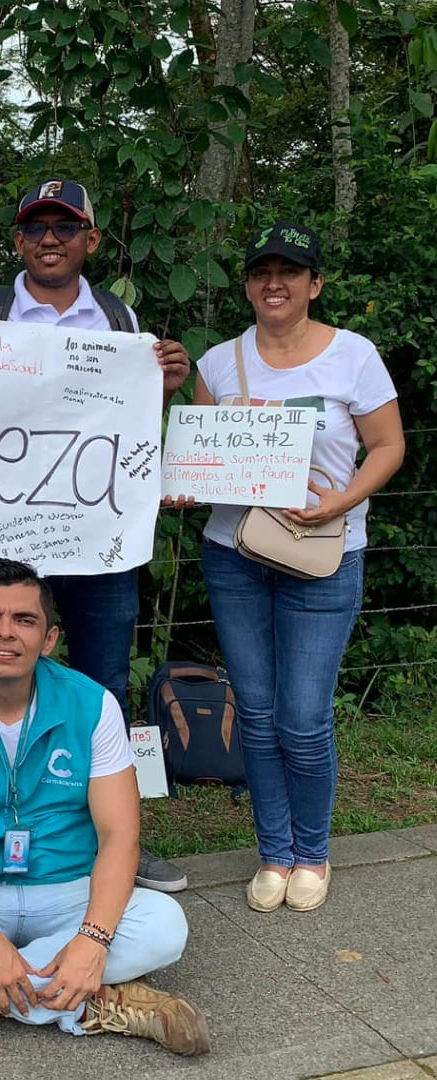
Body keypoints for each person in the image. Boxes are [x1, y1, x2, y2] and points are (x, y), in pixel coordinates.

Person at [0, 177, 193, 894]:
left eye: (66, 227)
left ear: (92, 240)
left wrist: (166, 386)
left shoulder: (127, 328)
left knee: (100, 691)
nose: (51, 239)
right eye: (37, 226)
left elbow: (133, 434)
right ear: (18, 240)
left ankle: (112, 842)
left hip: (101, 544)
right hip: (7, 547)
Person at [0, 559, 209, 1056]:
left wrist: (94, 940)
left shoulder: (92, 703)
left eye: (24, 620)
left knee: (166, 924)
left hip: (69, 890)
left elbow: (121, 835)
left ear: (50, 638)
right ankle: (99, 1003)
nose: (5, 633)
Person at [184, 222, 404, 913]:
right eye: (261, 272)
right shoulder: (218, 363)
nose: (273, 283)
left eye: (290, 271)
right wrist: (188, 477)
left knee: (304, 716)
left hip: (324, 552)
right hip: (236, 552)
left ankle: (312, 850)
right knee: (253, 709)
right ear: (247, 285)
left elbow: (389, 446)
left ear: (315, 284)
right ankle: (273, 852)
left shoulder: (354, 356)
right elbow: (201, 459)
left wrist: (341, 499)